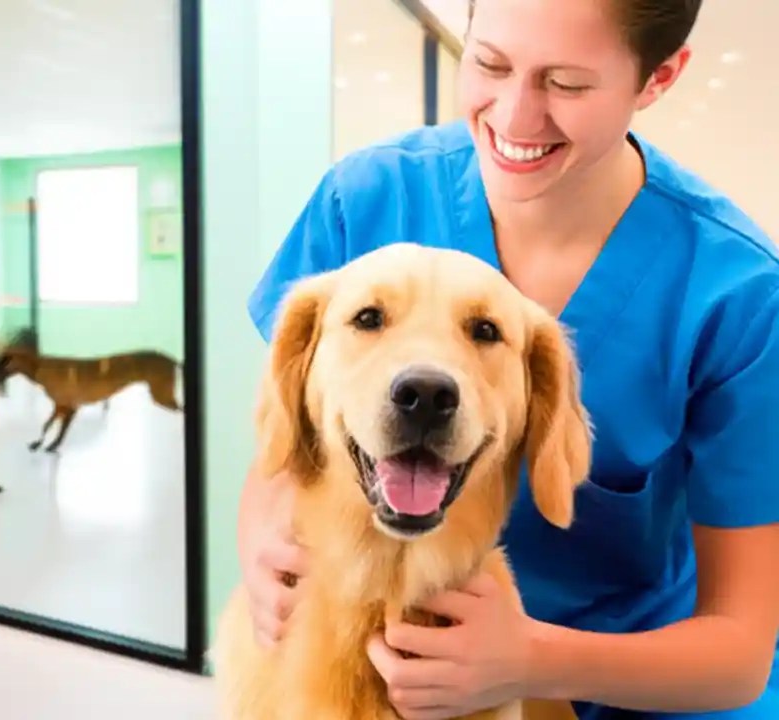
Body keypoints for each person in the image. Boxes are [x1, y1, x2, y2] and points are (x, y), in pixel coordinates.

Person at [237, 0, 779, 718]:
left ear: (658, 78)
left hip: (640, 682)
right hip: (365, 651)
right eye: (489, 63)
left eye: (569, 84)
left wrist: (526, 662)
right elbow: (287, 437)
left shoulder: (736, 296)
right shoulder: (366, 199)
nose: (516, 118)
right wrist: (257, 535)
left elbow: (739, 656)